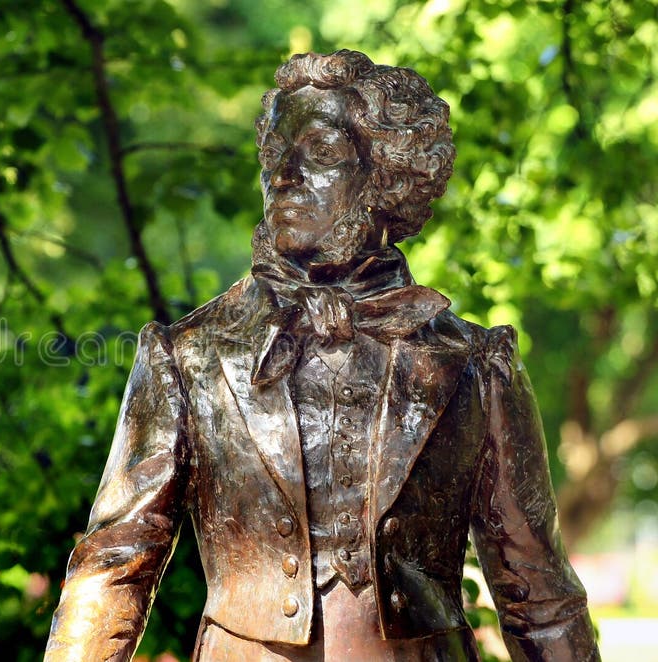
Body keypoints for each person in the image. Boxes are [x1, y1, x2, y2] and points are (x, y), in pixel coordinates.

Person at [45, 50, 599, 662]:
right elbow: (113, 565)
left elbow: (538, 594)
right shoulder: (187, 358)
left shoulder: (476, 364)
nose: (284, 175)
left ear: (387, 176)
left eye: (321, 152)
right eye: (274, 155)